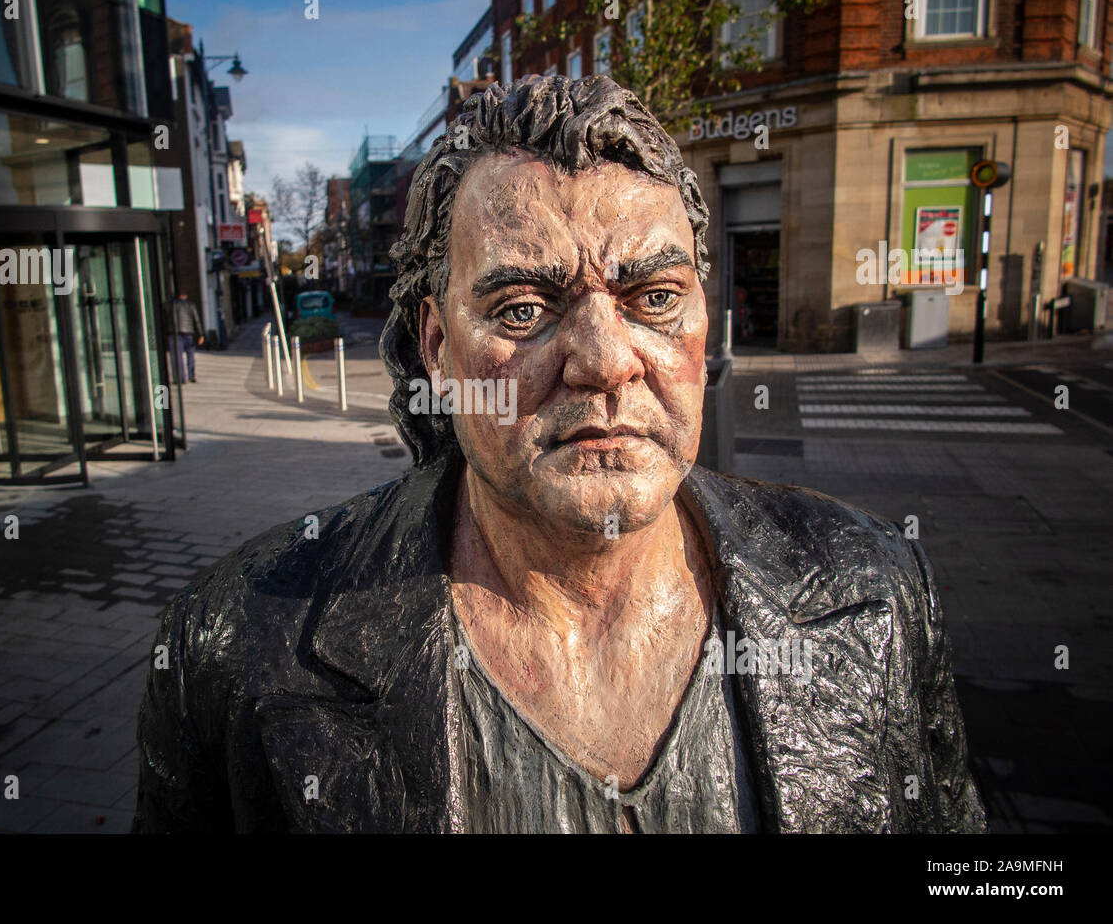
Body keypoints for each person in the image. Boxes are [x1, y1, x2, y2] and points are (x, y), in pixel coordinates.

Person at [133, 75, 986, 833]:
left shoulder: (873, 593)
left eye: (654, 297)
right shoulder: (236, 642)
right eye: (521, 310)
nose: (607, 358)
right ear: (438, 347)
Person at [170, 289, 204, 383]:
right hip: (189, 333)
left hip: (176, 333)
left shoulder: (173, 305)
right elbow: (196, 320)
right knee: (190, 355)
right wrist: (201, 334)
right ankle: (191, 375)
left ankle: (181, 378)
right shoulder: (191, 304)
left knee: (178, 356)